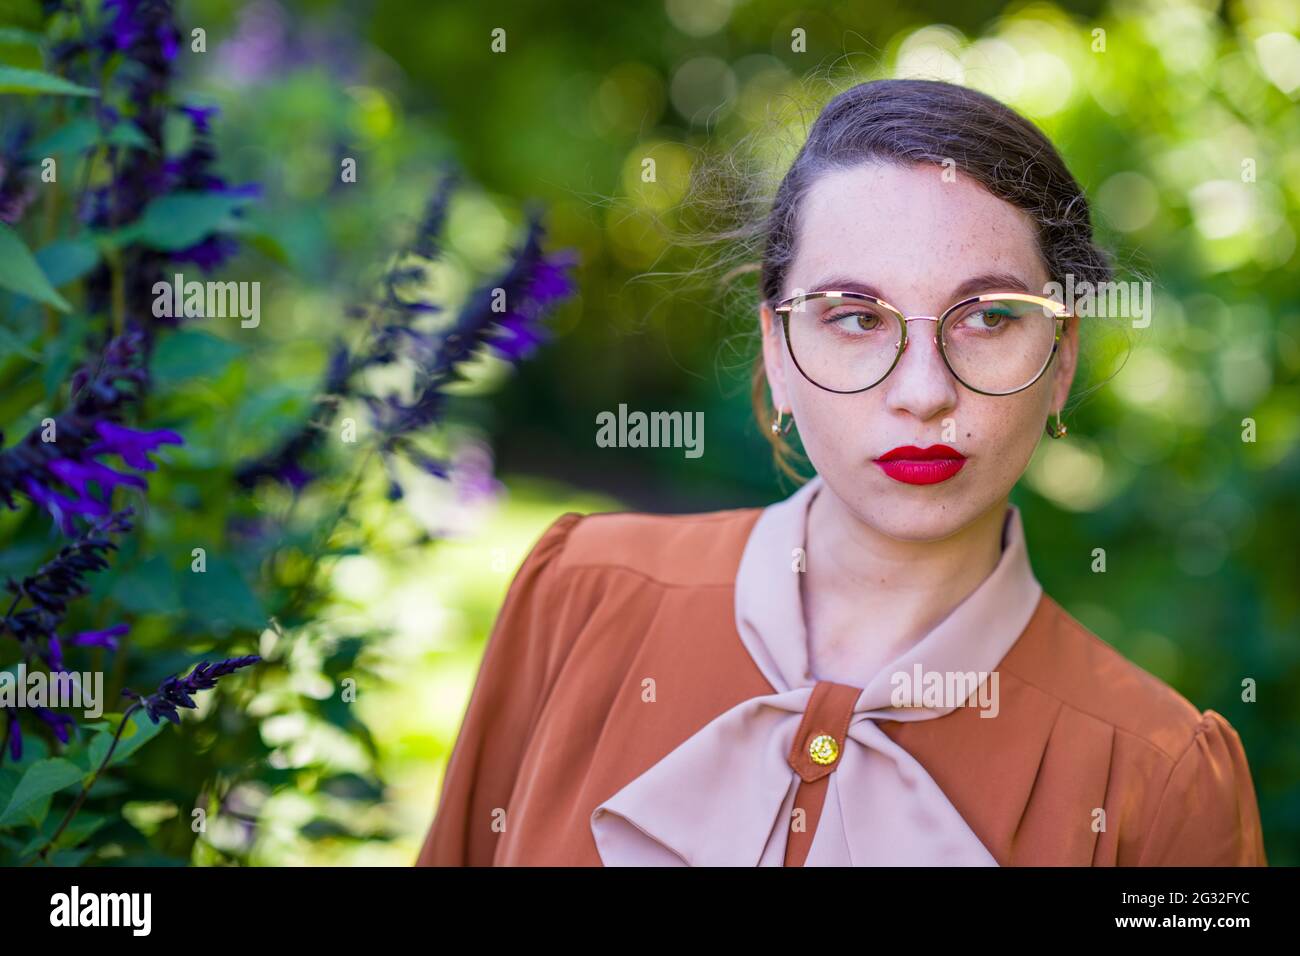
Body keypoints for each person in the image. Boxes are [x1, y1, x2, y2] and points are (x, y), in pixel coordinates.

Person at [415, 78, 1267, 866]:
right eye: (856, 318)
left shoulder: (1162, 780)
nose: (925, 392)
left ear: (1062, 357)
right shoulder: (582, 596)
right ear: (776, 350)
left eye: (988, 318)